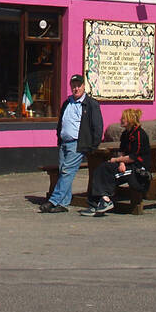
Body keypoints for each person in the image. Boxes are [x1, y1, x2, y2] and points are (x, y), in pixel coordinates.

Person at [42, 74, 102, 213]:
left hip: (78, 143)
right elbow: (62, 121)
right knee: (64, 172)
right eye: (73, 86)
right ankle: (63, 204)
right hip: (64, 142)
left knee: (67, 171)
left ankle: (53, 200)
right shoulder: (67, 102)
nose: (76, 88)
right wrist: (59, 135)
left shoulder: (91, 103)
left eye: (78, 85)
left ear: (83, 86)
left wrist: (93, 145)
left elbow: (97, 125)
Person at [82, 108, 151, 216]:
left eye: (123, 118)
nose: (121, 120)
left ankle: (104, 200)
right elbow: (122, 151)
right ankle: (97, 203)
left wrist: (117, 160)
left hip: (138, 170)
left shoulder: (139, 135)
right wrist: (121, 162)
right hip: (126, 164)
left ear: (130, 120)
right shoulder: (125, 134)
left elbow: (133, 157)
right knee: (101, 168)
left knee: (109, 175)